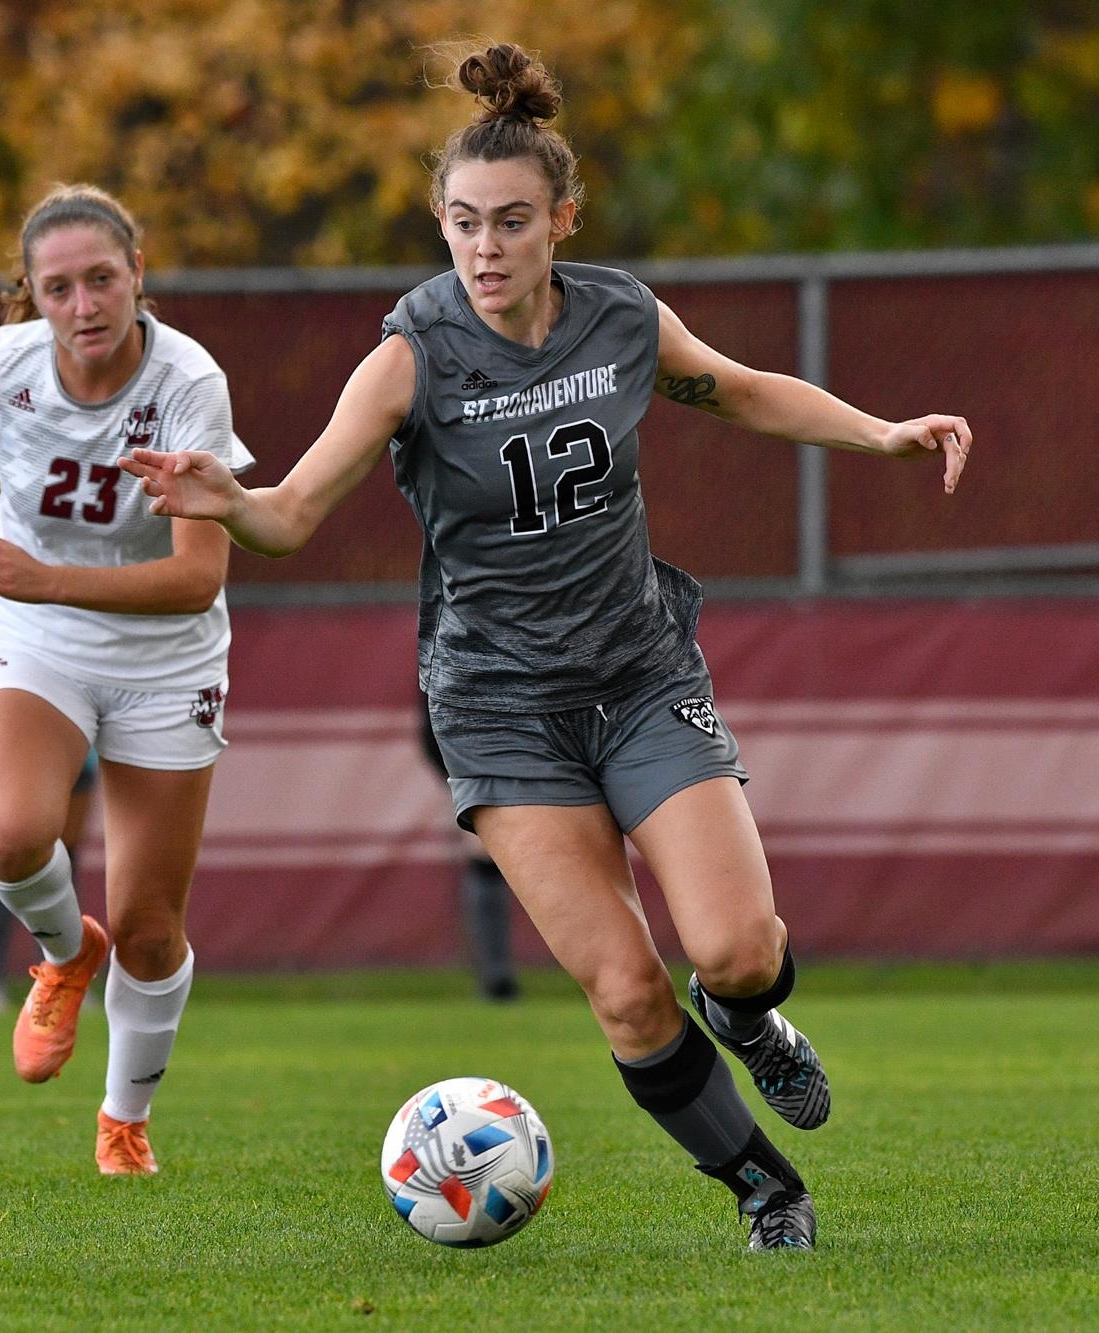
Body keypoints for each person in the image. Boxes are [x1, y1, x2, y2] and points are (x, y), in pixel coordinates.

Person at [123, 43, 972, 1250]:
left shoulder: (620, 316)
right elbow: (293, 511)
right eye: (462, 223)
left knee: (736, 949)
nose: (484, 248)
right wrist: (230, 500)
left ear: (561, 221)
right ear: (439, 224)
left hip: (637, 674)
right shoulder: (409, 358)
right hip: (500, 706)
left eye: (512, 222)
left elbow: (735, 388)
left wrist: (881, 434)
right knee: (625, 992)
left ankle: (750, 1020)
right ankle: (765, 1190)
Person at [0, 183, 254, 1175]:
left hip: (165, 653)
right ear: (32, 296)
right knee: (9, 835)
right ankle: (60, 952)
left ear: (138, 279)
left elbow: (196, 577)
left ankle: (122, 1121)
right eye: (58, 288)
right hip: (37, 634)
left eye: (101, 280)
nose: (83, 305)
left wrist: (42, 574)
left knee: (147, 925)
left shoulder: (187, 383)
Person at [0, 461, 100, 1017]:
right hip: (21, 713)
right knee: (8, 848)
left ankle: (64, 967)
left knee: (60, 856)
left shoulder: (72, 542)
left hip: (78, 713)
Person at [418, 696, 519, 1001]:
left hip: (539, 743)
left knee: (573, 854)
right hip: (473, 749)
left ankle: (605, 972)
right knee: (485, 855)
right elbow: (433, 718)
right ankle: (496, 977)